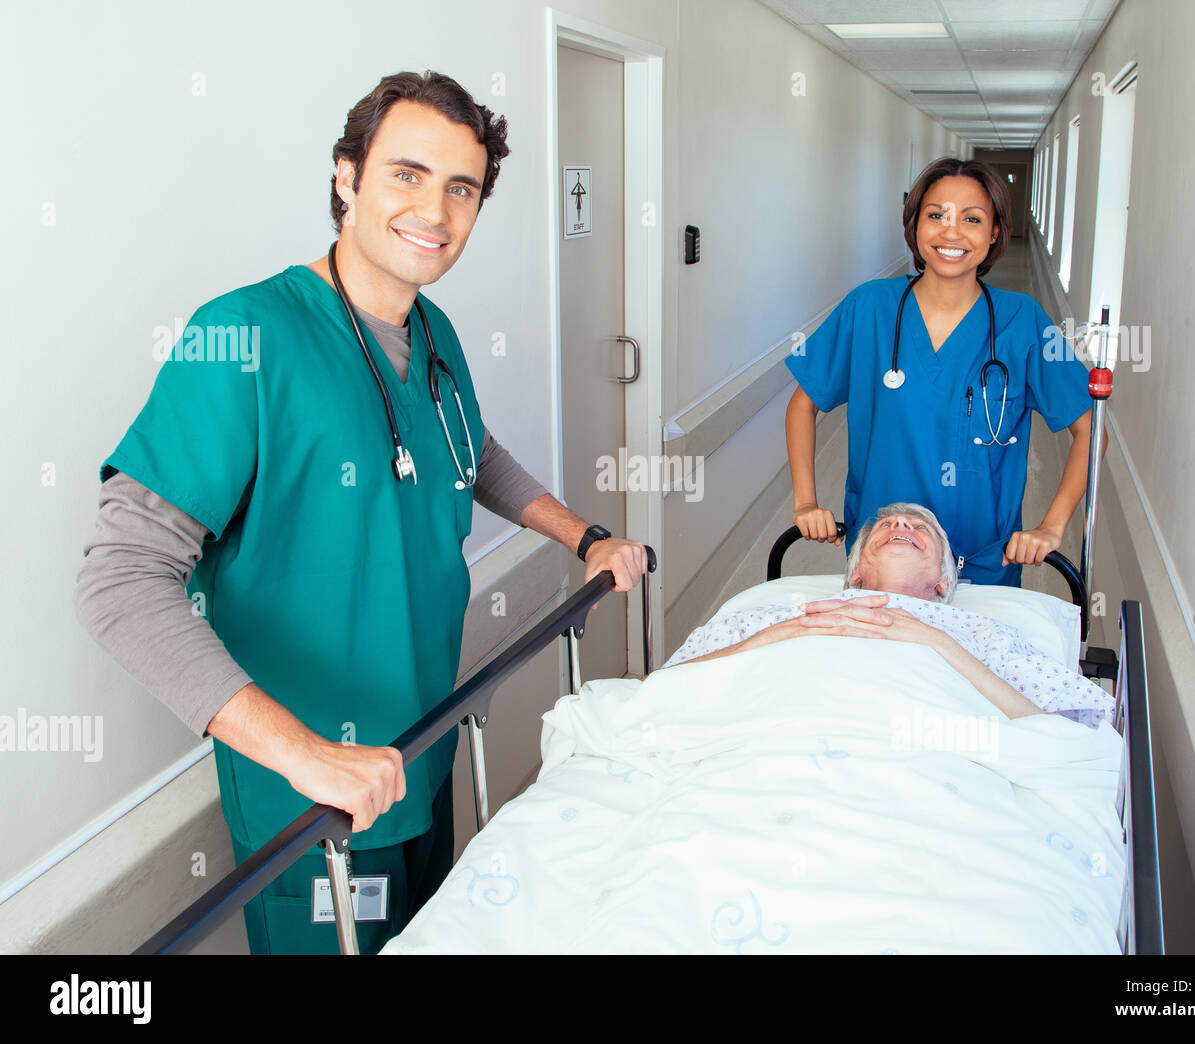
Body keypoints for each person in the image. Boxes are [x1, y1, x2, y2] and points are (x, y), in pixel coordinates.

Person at [74, 71, 647, 954]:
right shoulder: (246, 338)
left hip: (423, 746)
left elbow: (472, 452)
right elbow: (119, 581)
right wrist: (306, 754)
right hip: (313, 804)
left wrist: (585, 536)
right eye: (407, 175)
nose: (437, 211)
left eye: (463, 188)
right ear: (347, 177)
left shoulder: (435, 332)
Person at [784, 157, 1106, 586]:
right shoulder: (869, 309)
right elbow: (803, 404)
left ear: (994, 233)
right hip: (882, 562)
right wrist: (806, 502)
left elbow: (1091, 429)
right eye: (936, 215)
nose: (951, 232)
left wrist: (1052, 525)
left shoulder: (1022, 322)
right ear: (915, 224)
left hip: (983, 564)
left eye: (971, 219)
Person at [664, 504, 1112, 728]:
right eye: (886, 525)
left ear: (942, 581)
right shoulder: (781, 616)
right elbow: (663, 688)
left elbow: (1061, 732)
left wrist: (937, 642)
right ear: (855, 573)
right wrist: (781, 634)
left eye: (920, 530)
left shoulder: (979, 633)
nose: (901, 526)